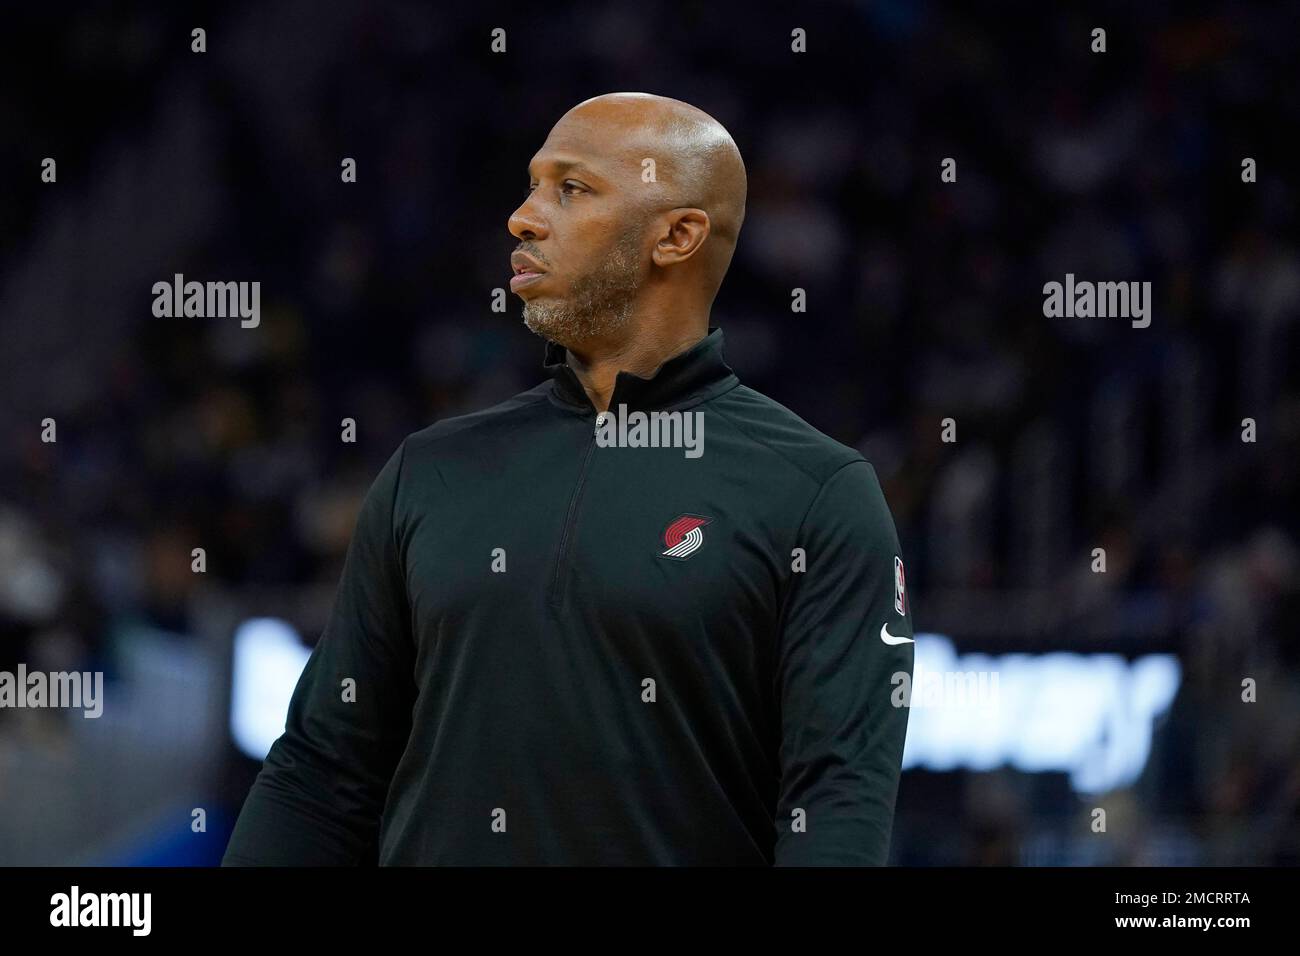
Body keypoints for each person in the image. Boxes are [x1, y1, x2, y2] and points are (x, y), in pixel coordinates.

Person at [222, 92, 914, 866]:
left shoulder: (816, 492)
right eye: (530, 185)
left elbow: (836, 806)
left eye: (569, 188)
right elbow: (320, 772)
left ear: (677, 235)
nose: (522, 217)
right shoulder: (431, 471)